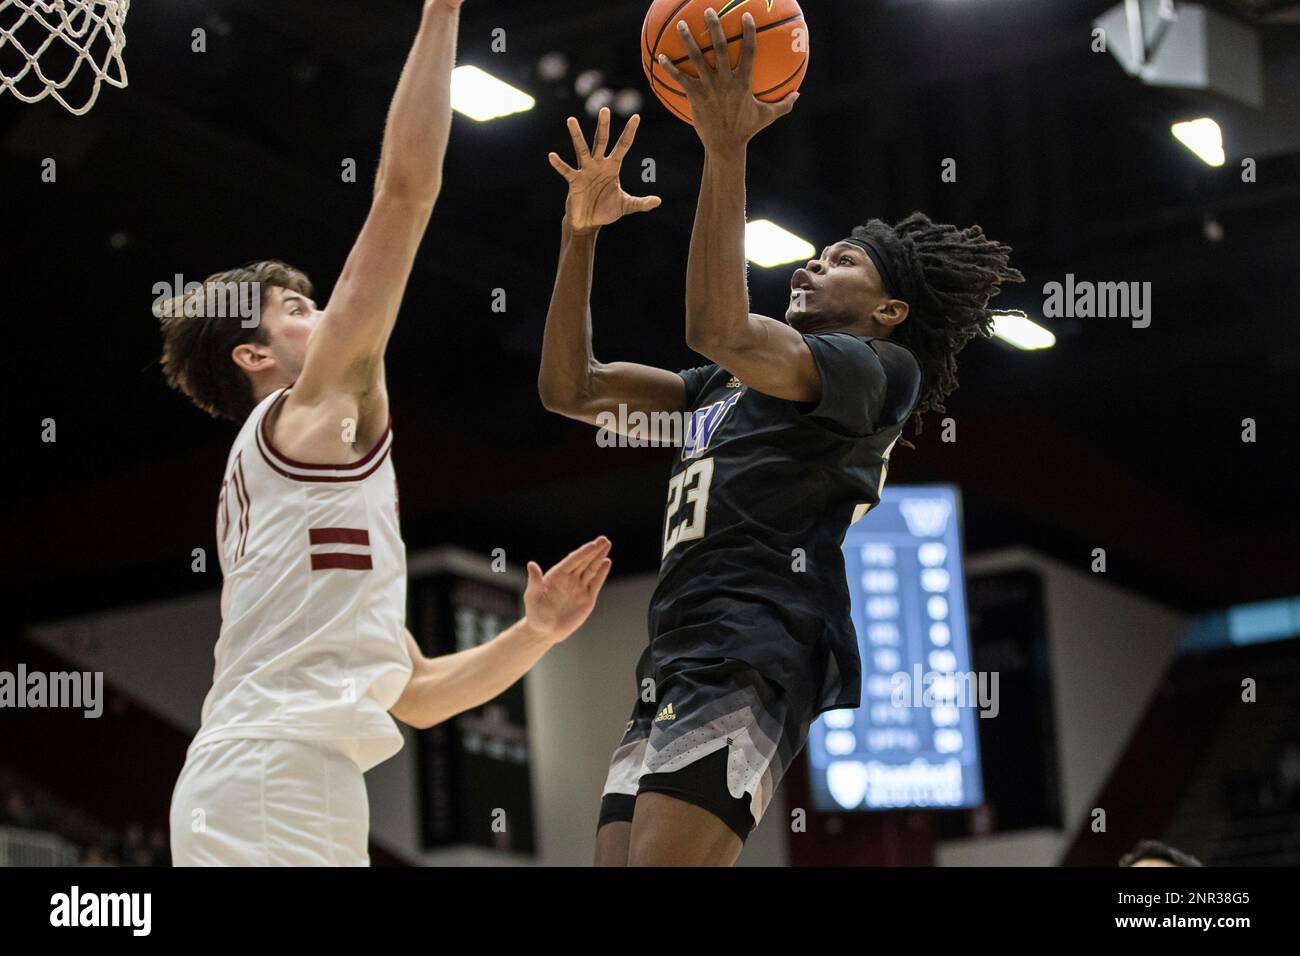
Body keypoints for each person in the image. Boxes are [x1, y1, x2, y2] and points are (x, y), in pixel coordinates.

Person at [539, 10, 1022, 865]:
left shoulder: (877, 371)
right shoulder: (722, 390)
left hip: (757, 638)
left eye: (839, 261)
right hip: (679, 643)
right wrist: (579, 239)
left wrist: (727, 149)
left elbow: (716, 325)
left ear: (890, 312)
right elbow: (569, 391)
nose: (807, 265)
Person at [160, 0, 613, 866]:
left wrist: (538, 632)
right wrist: (442, 9)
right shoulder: (307, 416)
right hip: (269, 776)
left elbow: (419, 694)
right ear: (253, 354)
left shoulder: (307, 469)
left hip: (296, 780)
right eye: (298, 310)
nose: (327, 312)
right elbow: (405, 194)